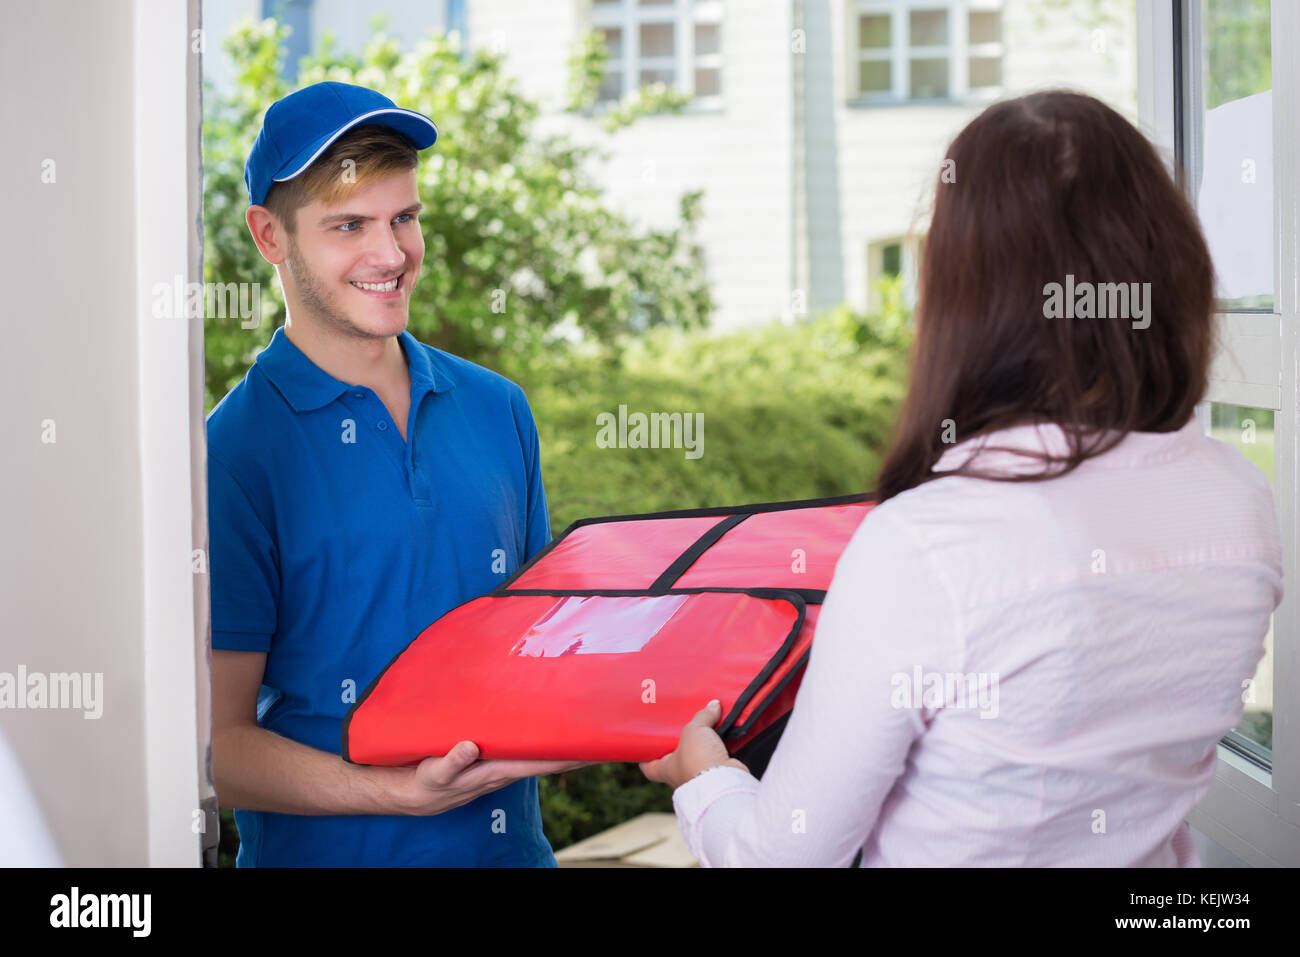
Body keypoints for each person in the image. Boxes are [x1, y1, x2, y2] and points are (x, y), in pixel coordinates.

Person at [641, 90, 1283, 867]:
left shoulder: (928, 548)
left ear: (962, 295)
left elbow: (781, 857)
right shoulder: (1240, 500)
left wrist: (704, 776)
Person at [207, 82, 582, 866]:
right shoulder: (232, 453)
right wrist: (396, 791)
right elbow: (217, 748)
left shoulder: (496, 408)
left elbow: (540, 644)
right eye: (350, 225)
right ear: (269, 235)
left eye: (403, 218)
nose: (391, 255)